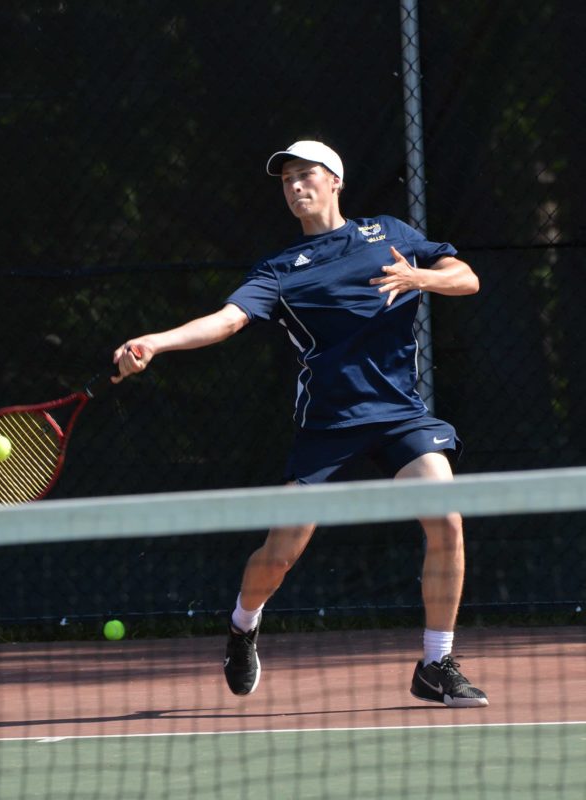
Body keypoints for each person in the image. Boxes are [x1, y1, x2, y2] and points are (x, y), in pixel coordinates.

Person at [113, 140, 488, 709]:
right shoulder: (280, 270)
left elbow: (465, 277)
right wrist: (155, 343)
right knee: (280, 555)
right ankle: (243, 625)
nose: (294, 187)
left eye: (305, 175)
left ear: (335, 180)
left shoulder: (388, 233)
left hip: (399, 415)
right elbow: (227, 321)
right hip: (328, 428)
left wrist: (422, 279)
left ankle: (436, 663)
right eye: (286, 180)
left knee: (447, 518)